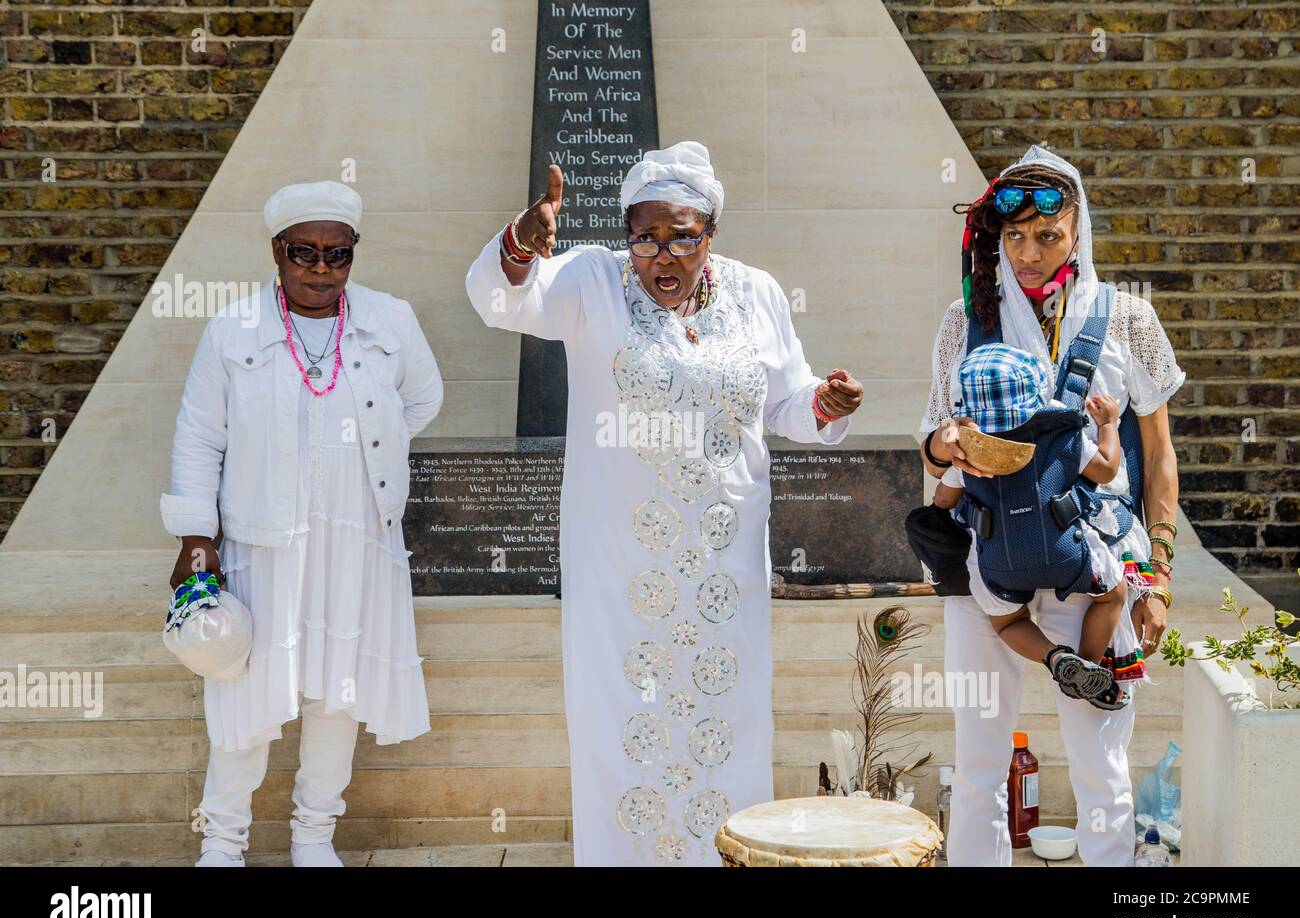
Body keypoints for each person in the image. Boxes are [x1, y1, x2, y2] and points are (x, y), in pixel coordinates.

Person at [465, 142, 863, 866]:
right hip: (625, 576)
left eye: (682, 235)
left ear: (711, 231)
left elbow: (788, 403)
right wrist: (522, 244)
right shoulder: (593, 281)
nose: (660, 255)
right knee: (626, 735)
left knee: (727, 730)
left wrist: (826, 404)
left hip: (725, 571)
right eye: (643, 236)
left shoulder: (756, 294)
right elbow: (500, 301)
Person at [160, 181, 444, 866]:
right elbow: (200, 437)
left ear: (353, 254)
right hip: (263, 543)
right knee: (244, 692)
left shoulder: (391, 321)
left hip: (356, 539)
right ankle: (223, 842)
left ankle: (314, 837)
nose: (320, 269)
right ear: (277, 252)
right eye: (304, 253)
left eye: (336, 254)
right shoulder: (232, 330)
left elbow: (422, 401)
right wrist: (197, 538)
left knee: (335, 694)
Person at [919, 145, 1184, 866]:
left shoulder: (1127, 319)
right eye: (1014, 237)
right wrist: (945, 448)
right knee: (977, 771)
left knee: (1103, 772)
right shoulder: (962, 320)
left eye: (1047, 236)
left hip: (1092, 553)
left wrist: (1157, 576)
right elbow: (931, 446)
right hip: (989, 556)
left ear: (1079, 233)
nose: (1028, 254)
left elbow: (1158, 457)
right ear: (995, 237)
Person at [934, 342, 1152, 708]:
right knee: (1111, 596)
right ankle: (1088, 665)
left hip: (999, 566)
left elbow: (943, 500)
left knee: (1006, 624)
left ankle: (1054, 658)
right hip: (1067, 551)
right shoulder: (1062, 435)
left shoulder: (966, 452)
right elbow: (1107, 468)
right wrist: (1109, 426)